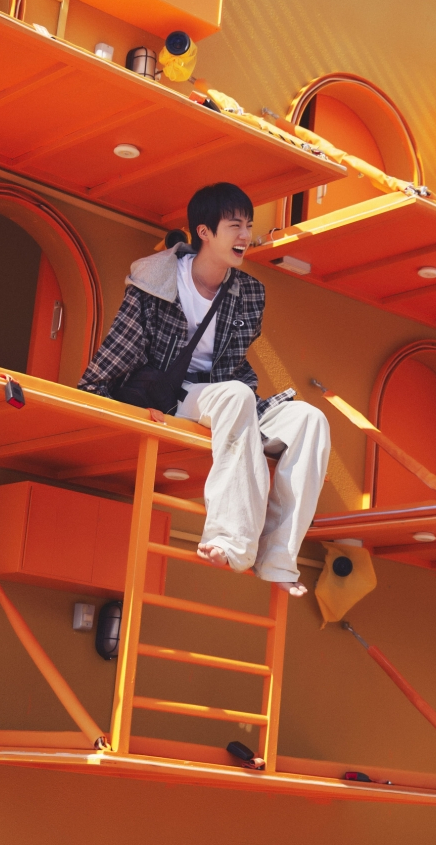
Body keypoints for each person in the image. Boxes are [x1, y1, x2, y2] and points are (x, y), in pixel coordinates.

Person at [78, 182, 330, 596]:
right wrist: (99, 400)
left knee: (310, 419)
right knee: (235, 396)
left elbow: (234, 366)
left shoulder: (249, 293)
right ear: (204, 232)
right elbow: (120, 348)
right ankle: (229, 539)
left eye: (248, 225)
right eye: (235, 225)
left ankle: (278, 560)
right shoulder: (156, 280)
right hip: (173, 396)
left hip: (226, 397)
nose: (245, 235)